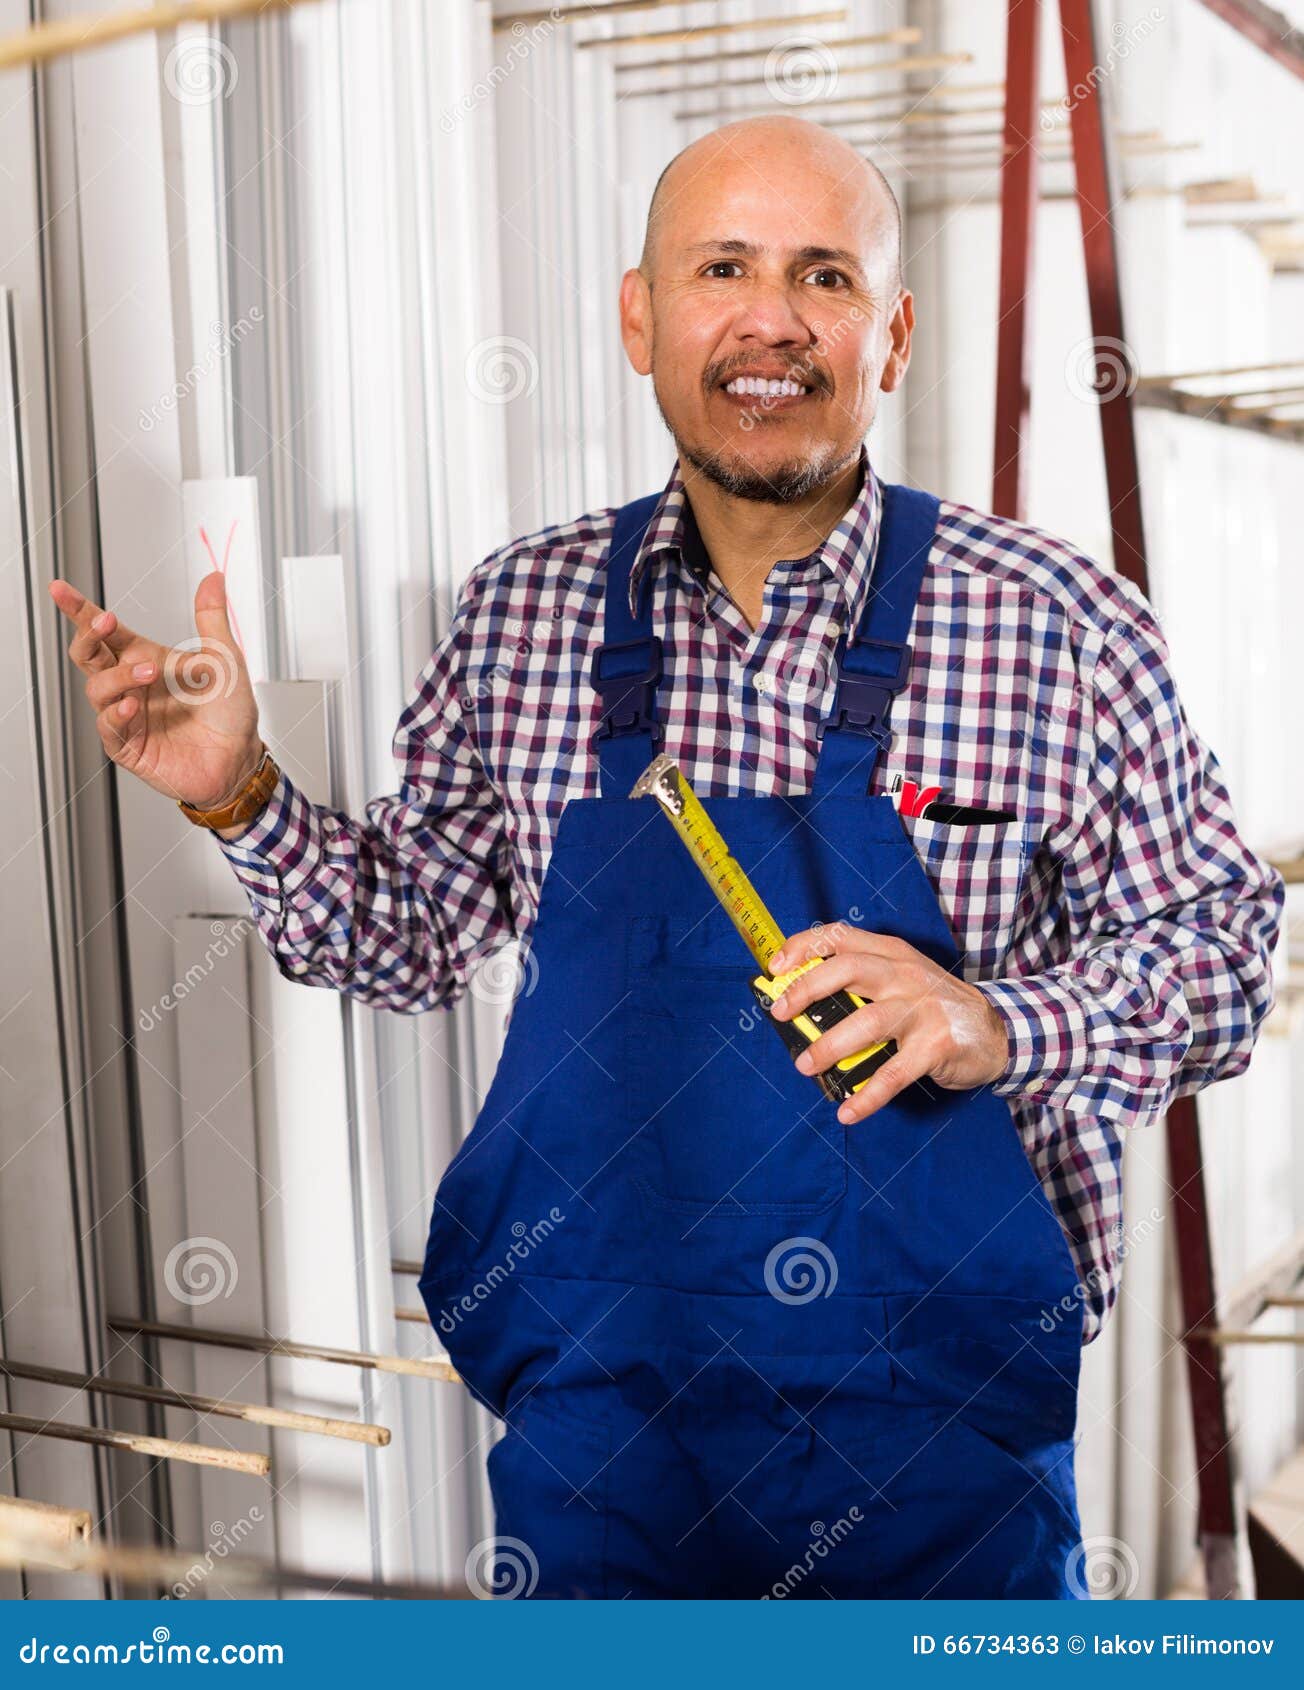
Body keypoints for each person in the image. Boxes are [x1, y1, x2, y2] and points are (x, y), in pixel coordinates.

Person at [51, 115, 1284, 1599]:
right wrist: (241, 790)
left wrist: (997, 1016)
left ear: (889, 336)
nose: (772, 319)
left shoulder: (1054, 623)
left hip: (945, 1481)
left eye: (825, 276)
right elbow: (409, 935)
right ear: (641, 316)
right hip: (605, 1476)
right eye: (724, 267)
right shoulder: (525, 614)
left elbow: (1224, 953)